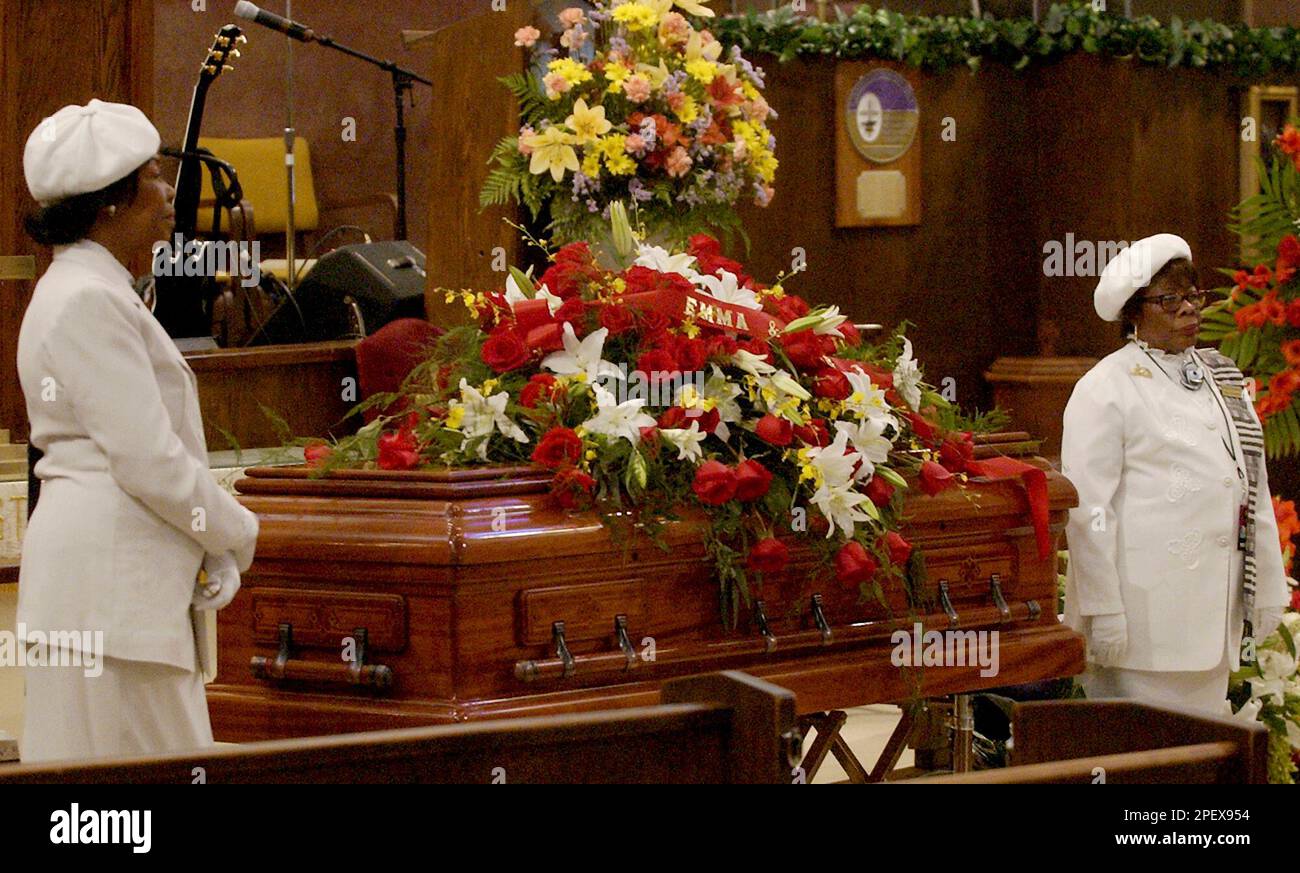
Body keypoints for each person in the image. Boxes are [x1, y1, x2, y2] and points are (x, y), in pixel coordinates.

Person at [16, 100, 258, 761]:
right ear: (109, 203)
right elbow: (149, 460)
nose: (169, 198)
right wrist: (238, 532)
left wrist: (209, 547)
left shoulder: (92, 289)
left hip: (114, 596)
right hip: (110, 598)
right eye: (153, 177)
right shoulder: (86, 298)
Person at [1062, 233, 1290, 715]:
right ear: (1134, 312)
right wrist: (1103, 611)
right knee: (1141, 763)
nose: (1189, 310)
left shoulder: (1221, 377)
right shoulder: (1105, 386)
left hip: (1212, 619)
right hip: (1142, 624)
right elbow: (1089, 510)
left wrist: (1268, 587)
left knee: (1198, 760)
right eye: (1170, 300)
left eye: (1193, 296)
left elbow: (1252, 484)